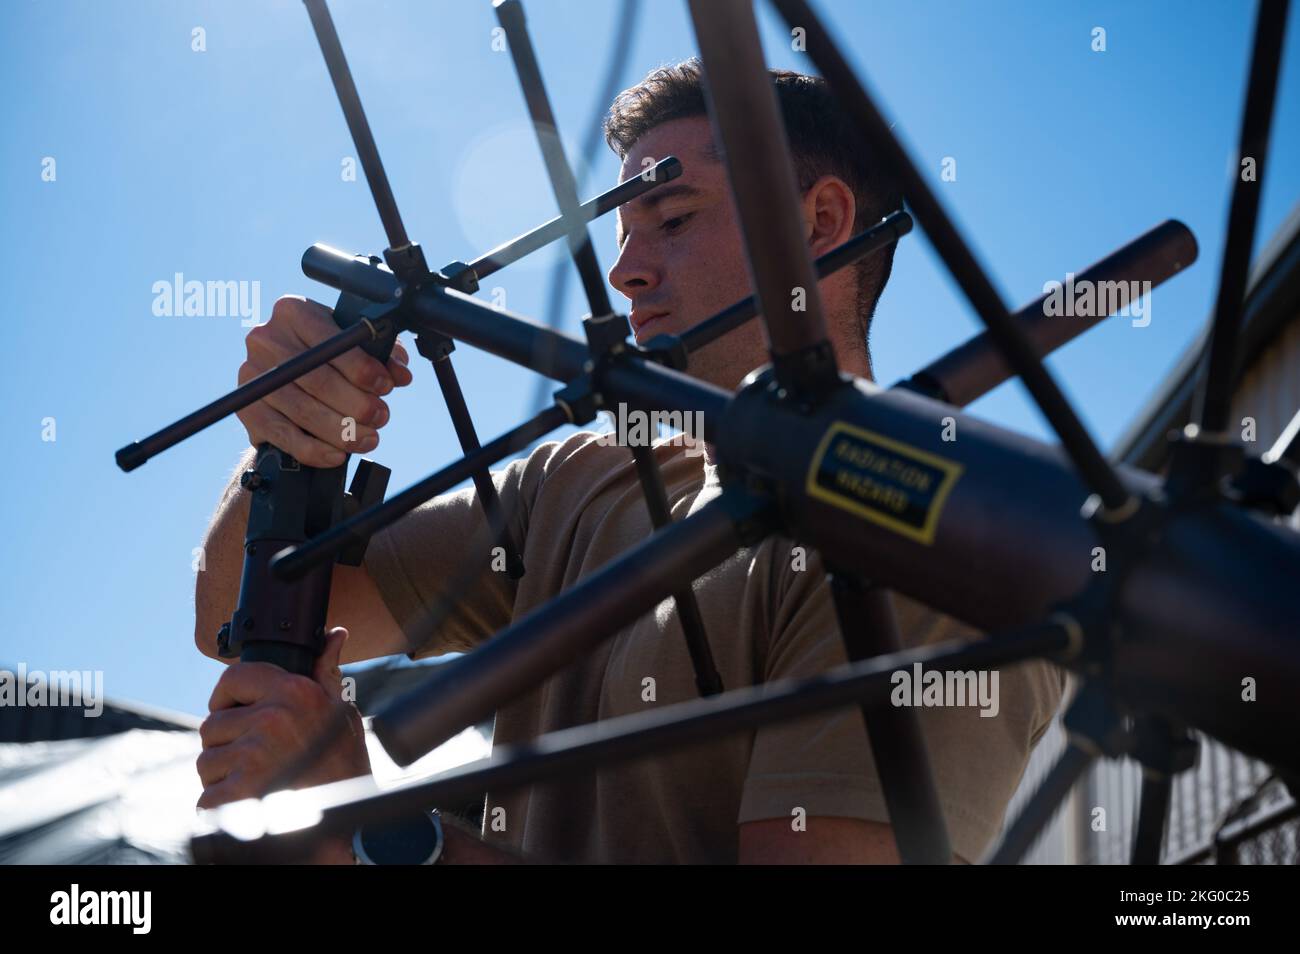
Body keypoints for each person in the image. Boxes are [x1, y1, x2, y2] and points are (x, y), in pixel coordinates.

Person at [192, 60, 1065, 864]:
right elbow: (227, 615)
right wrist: (287, 434)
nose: (624, 274)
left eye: (673, 218)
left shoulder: (936, 542)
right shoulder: (577, 477)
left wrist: (376, 830)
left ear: (820, 224)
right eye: (619, 231)